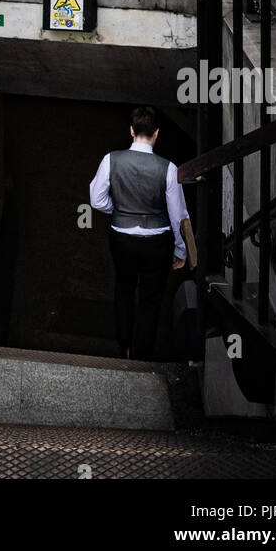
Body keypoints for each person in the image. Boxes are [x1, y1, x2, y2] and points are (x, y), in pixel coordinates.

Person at [89, 105, 189, 360]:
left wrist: (118, 209)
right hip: (157, 242)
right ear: (156, 133)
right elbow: (178, 214)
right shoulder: (168, 168)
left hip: (121, 237)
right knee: (150, 299)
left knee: (123, 289)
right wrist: (181, 249)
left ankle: (124, 348)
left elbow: (97, 201)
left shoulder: (111, 159)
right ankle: (142, 355)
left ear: (131, 131)